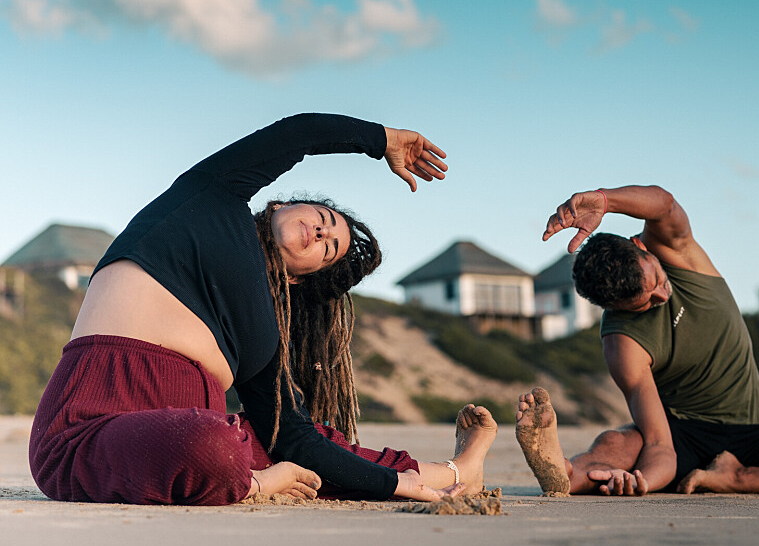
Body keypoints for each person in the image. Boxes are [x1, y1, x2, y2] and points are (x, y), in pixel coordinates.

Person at [29, 113, 497, 506]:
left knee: (293, 446)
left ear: (301, 276)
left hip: (196, 434)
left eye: (329, 248)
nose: (321, 234)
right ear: (282, 203)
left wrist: (392, 485)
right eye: (323, 220)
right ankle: (251, 484)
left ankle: (453, 470)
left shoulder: (264, 336)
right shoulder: (213, 196)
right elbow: (296, 134)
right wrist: (382, 140)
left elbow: (297, 440)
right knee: (216, 447)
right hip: (89, 431)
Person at [516, 185, 759, 496]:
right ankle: (565, 473)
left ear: (643, 249)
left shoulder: (676, 251)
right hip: (683, 438)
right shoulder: (623, 344)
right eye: (644, 303)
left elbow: (665, 204)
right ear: (616, 308)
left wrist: (605, 199)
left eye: (656, 280)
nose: (662, 295)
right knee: (617, 443)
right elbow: (659, 444)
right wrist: (642, 482)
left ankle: (738, 479)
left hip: (757, 436)